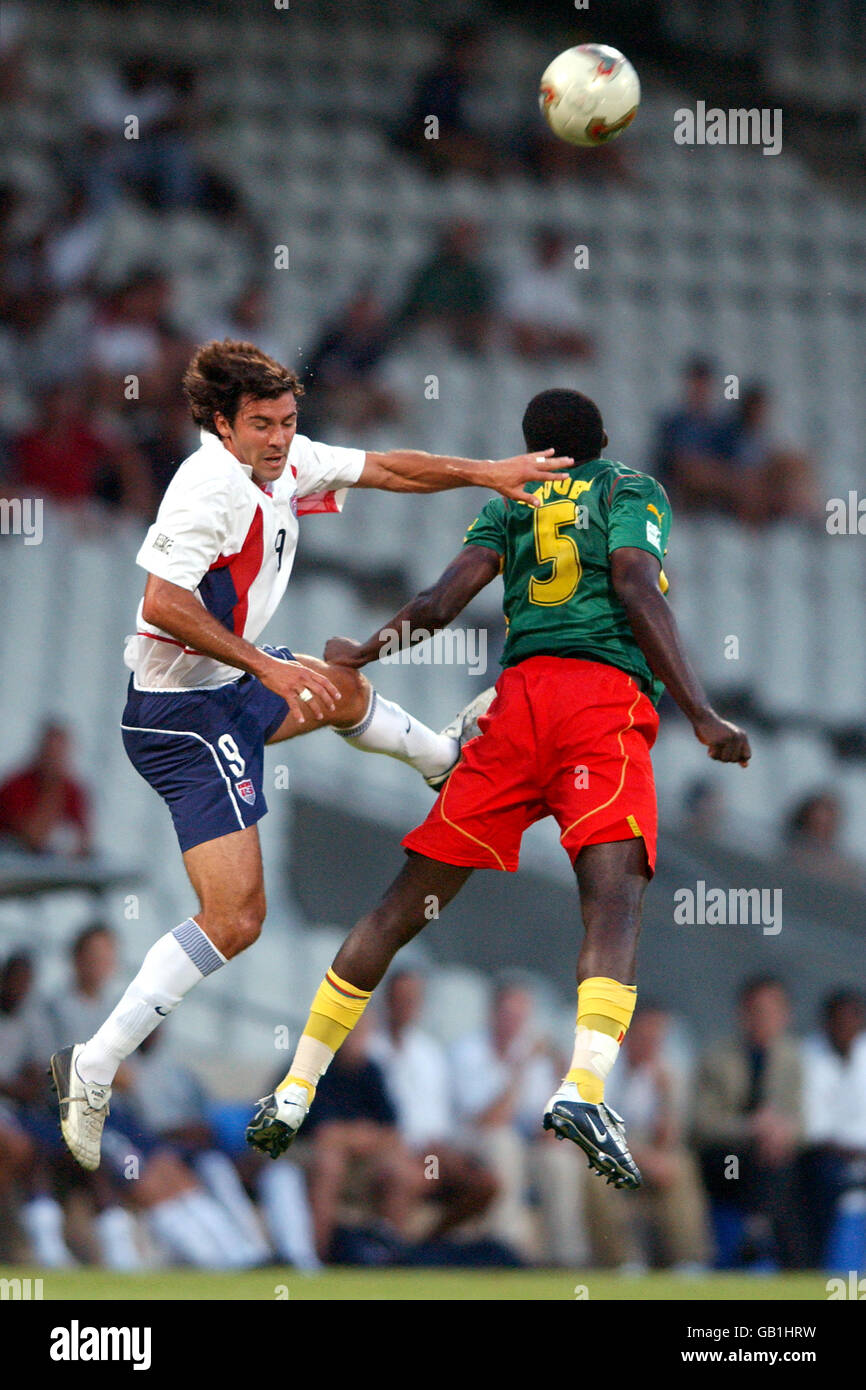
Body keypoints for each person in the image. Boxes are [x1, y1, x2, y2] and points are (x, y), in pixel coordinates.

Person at [49, 337, 571, 1173]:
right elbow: (161, 601)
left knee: (343, 689)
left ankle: (443, 762)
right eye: (262, 424)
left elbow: (388, 468)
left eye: (290, 422)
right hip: (180, 717)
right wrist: (263, 666)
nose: (281, 438)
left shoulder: (281, 462)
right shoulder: (205, 486)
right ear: (222, 423)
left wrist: (487, 472)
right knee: (237, 919)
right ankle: (95, 1064)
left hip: (225, 689)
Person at [249, 386, 751, 1192]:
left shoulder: (510, 498)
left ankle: (298, 1082)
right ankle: (584, 1089)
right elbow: (634, 581)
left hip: (513, 708)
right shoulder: (629, 489)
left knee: (401, 904)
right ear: (603, 439)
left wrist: (362, 653)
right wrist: (701, 710)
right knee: (614, 900)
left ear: (533, 446)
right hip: (597, 708)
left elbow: (441, 602)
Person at [369, 968, 497, 1242]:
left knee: (487, 1184)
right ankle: (392, 1253)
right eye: (400, 999)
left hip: (435, 1152)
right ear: (387, 1001)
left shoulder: (431, 1053)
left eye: (412, 1000)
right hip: (393, 1149)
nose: (406, 1007)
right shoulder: (369, 1049)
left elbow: (443, 1120)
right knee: (406, 1178)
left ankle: (430, 1244)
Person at [693, 976, 806, 1268]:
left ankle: (758, 1232)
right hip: (727, 1160)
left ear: (785, 1014)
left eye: (772, 1011)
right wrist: (751, 1127)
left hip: (773, 1157)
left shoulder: (792, 1059)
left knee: (781, 1163)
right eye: (757, 1010)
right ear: (743, 1012)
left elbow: (803, 1119)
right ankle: (762, 1233)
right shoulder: (717, 1057)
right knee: (756, 1166)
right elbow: (702, 1124)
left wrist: (781, 1131)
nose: (764, 1019)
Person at [587, 1005, 710, 1270]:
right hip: (609, 1153)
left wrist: (665, 1098)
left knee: (681, 1167)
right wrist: (641, 1158)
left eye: (657, 1038)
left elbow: (668, 1141)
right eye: (644, 1036)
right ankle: (624, 1262)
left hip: (647, 1152)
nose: (651, 1045)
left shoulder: (667, 1073)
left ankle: (688, 1260)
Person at [800, 990, 866, 1266]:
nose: (846, 1028)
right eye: (839, 1021)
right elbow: (813, 1130)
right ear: (826, 1023)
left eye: (852, 1021)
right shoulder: (807, 1056)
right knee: (826, 1176)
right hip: (824, 1158)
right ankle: (818, 1264)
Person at [0, 723, 91, 856]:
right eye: (50, 753)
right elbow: (32, 837)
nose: (54, 760)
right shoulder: (16, 786)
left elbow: (83, 840)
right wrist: (52, 792)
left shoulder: (74, 791)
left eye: (59, 754)